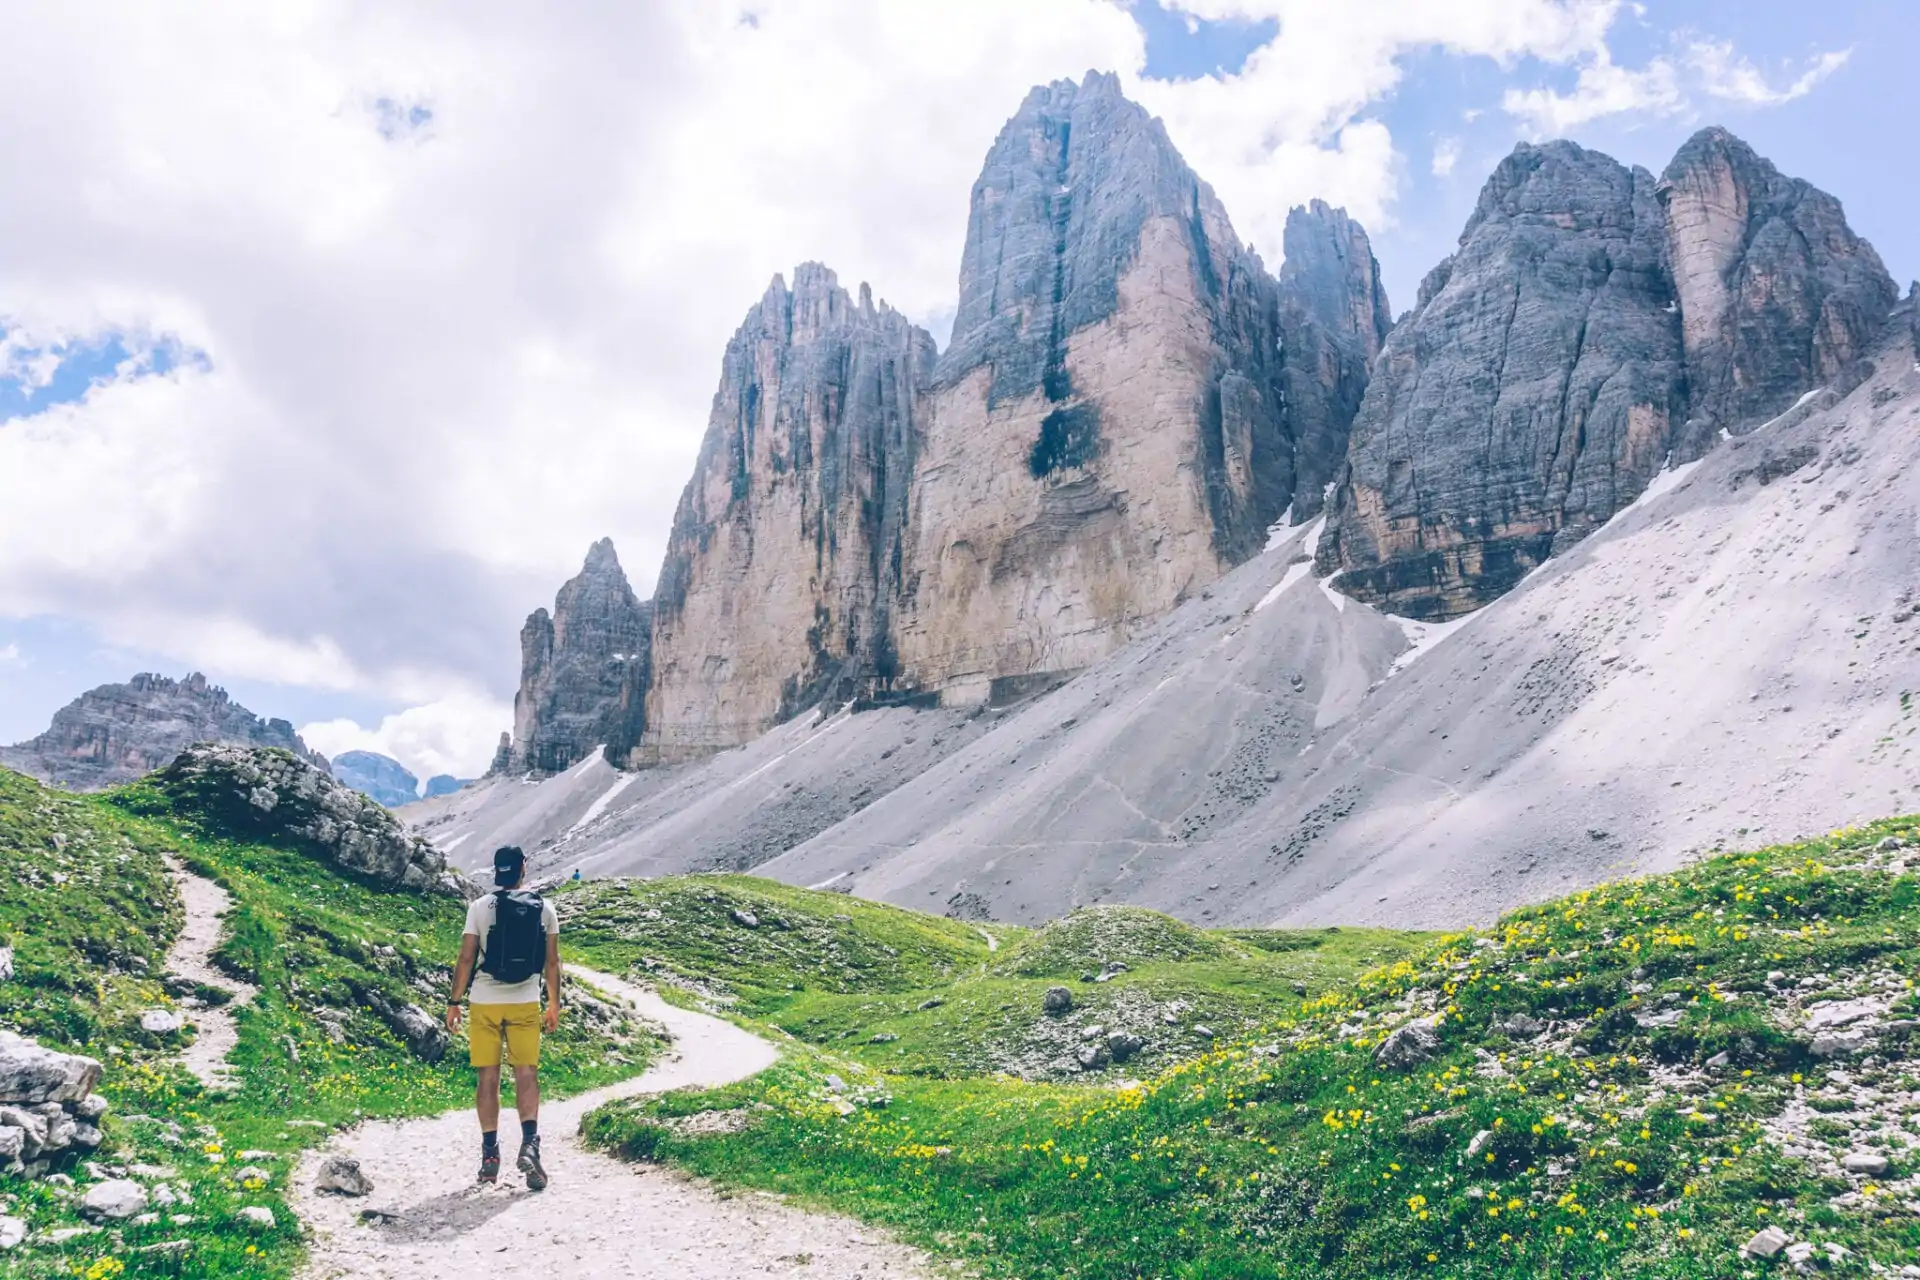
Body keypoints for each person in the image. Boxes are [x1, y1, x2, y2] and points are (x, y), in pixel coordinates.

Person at [446, 846, 561, 1189]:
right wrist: (553, 1004)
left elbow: (466, 959)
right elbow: (552, 962)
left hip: (484, 1002)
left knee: (488, 1077)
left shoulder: (479, 908)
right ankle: (529, 1142)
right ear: (523, 868)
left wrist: (454, 1002)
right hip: (525, 1001)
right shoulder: (545, 908)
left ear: (497, 871)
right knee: (526, 1072)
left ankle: (490, 1153)